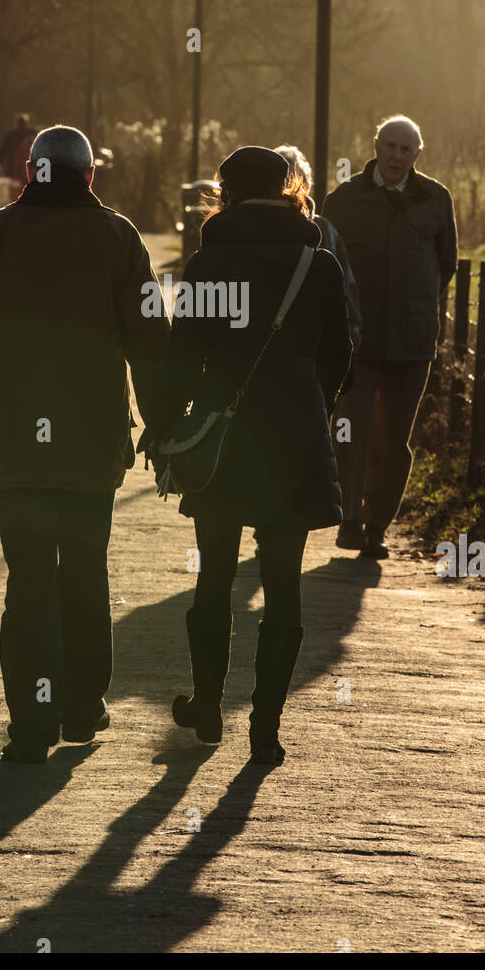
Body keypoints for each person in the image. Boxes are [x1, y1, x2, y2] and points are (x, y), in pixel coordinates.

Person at [0, 125, 170, 763]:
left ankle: (30, 728)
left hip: (16, 441)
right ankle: (83, 707)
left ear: (31, 171)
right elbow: (149, 341)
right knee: (85, 573)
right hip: (92, 440)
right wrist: (165, 426)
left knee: (28, 581)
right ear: (90, 176)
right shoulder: (120, 237)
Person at [146, 146, 352, 766]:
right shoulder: (319, 265)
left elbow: (184, 356)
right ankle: (265, 727)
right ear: (289, 189)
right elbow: (339, 354)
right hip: (294, 436)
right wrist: (310, 401)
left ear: (226, 194)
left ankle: (207, 707)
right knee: (282, 583)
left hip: (222, 437)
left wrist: (164, 426)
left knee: (214, 576)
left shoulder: (210, 265)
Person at [321, 115, 458, 560]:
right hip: (355, 340)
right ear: (375, 146)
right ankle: (349, 519)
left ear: (418, 155)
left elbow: (446, 265)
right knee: (350, 429)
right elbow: (324, 265)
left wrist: (417, 309)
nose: (397, 157)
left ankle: (377, 525)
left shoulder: (436, 199)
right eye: (390, 147)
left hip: (412, 344)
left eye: (406, 150)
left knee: (394, 437)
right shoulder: (343, 200)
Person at [274, 144, 362, 352]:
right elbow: (345, 289)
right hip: (313, 344)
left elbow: (344, 289)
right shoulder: (324, 230)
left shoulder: (325, 230)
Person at [0, 114, 35, 202]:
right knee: (27, 182)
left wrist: (0, 160)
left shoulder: (12, 134)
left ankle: (16, 202)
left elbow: (3, 149)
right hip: (28, 163)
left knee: (17, 184)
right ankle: (24, 200)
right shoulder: (32, 133)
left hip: (14, 165)